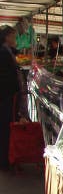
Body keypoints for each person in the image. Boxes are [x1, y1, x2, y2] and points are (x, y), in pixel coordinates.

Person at [0, 25, 27, 170]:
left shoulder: (7, 51)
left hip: (8, 96)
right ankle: (6, 160)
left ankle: (8, 157)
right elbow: (7, 76)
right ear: (7, 37)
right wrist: (16, 90)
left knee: (7, 126)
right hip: (7, 97)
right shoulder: (4, 53)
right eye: (14, 36)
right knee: (6, 126)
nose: (15, 39)